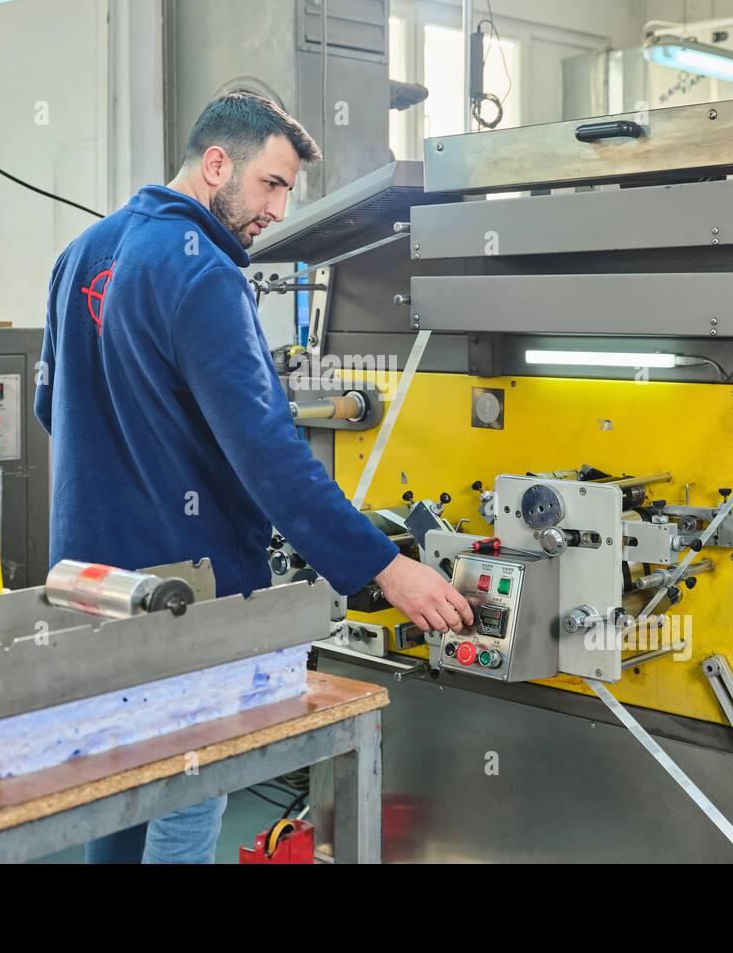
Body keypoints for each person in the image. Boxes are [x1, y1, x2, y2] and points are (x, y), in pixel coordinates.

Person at [35, 92, 472, 864]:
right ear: (215, 165)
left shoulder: (81, 253)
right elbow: (267, 450)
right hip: (186, 598)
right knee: (189, 795)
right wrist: (382, 564)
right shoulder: (205, 275)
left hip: (84, 581)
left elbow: (52, 408)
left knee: (113, 783)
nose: (277, 209)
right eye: (271, 184)